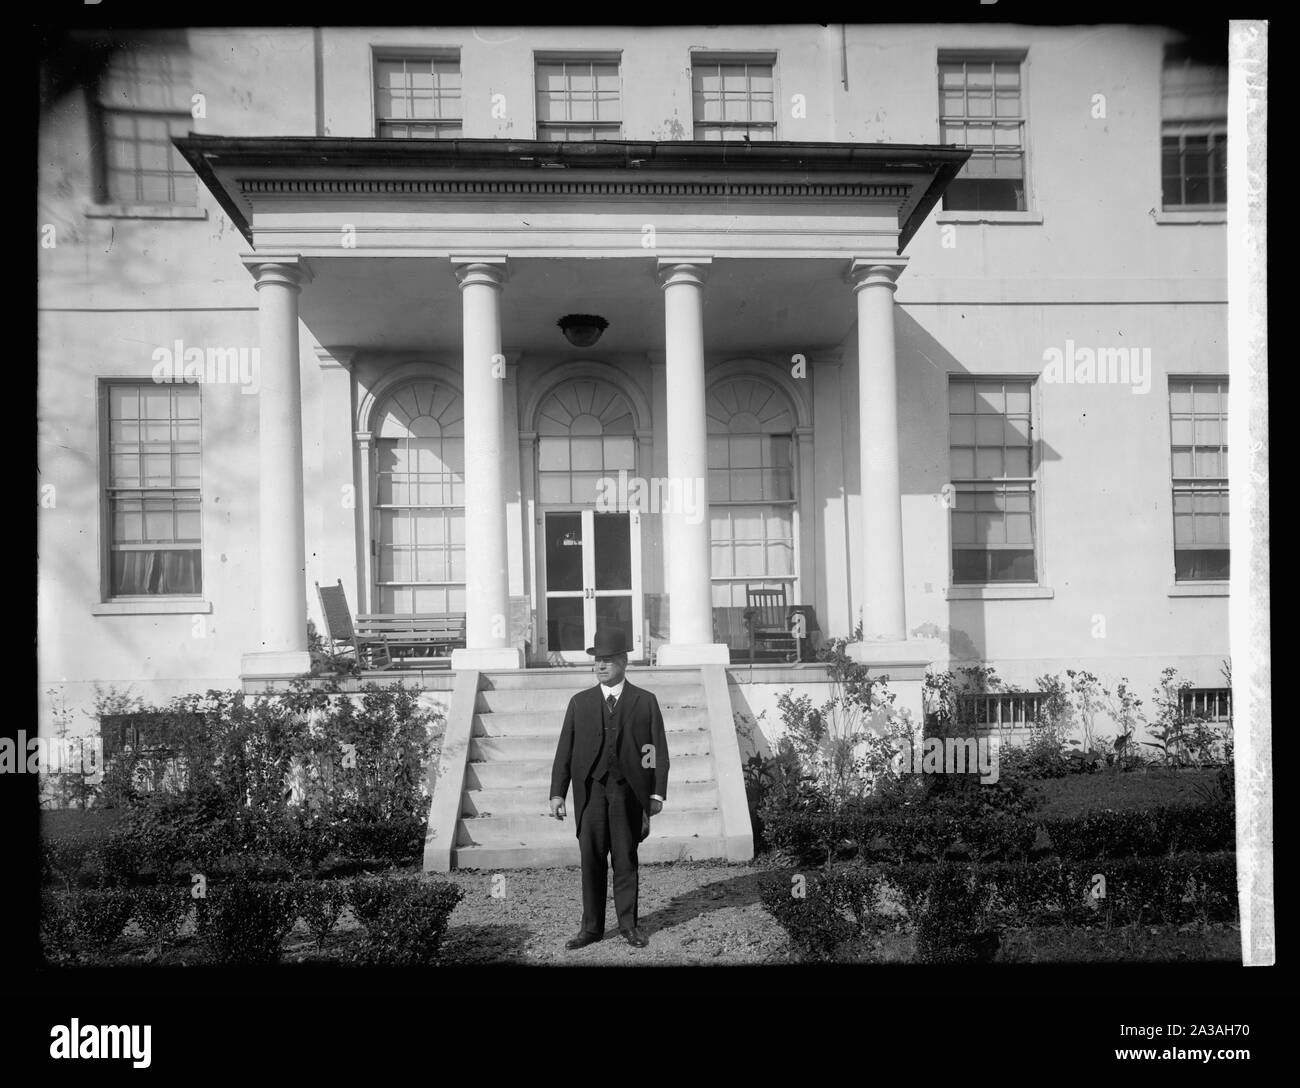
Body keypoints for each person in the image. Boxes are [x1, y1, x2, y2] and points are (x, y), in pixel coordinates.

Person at [549, 627, 669, 949]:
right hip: (590, 792)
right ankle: (592, 928)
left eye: (608, 660)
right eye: (597, 660)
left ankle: (629, 925)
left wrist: (654, 792)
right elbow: (565, 750)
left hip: (627, 792)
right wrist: (558, 793)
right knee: (591, 859)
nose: (600, 666)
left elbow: (653, 750)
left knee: (626, 859)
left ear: (624, 662)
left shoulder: (645, 702)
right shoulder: (580, 703)